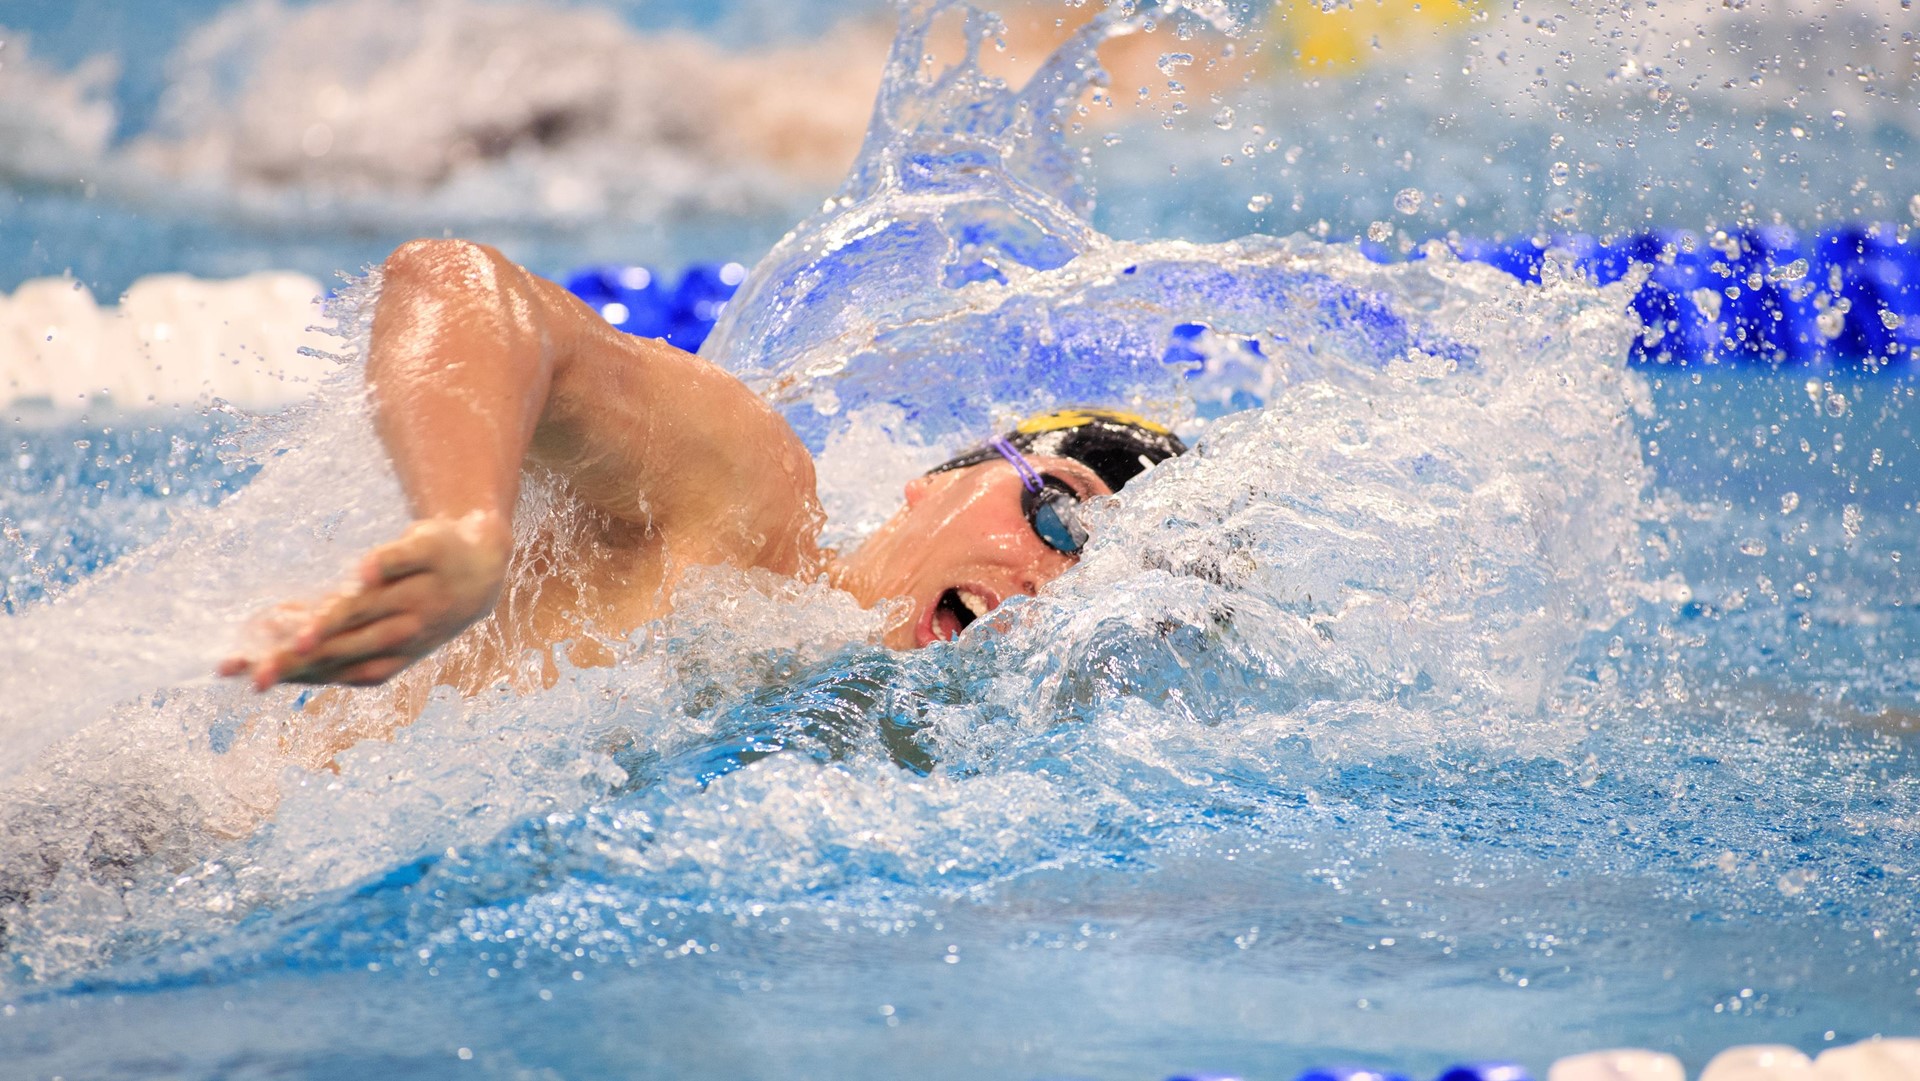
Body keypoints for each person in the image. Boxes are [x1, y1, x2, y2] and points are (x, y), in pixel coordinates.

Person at [217, 238, 1184, 697]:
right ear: (934, 479)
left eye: (1098, 588)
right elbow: (456, 283)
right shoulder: (743, 505)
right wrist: (463, 523)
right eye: (1061, 518)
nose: (1050, 587)